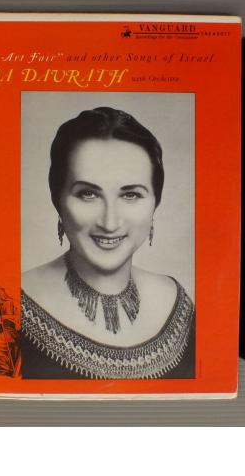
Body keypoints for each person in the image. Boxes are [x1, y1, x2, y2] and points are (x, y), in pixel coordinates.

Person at [21, 106, 195, 379]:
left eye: (131, 195)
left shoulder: (178, 302)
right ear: (58, 200)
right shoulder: (7, 308)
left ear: (155, 203)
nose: (110, 222)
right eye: (88, 194)